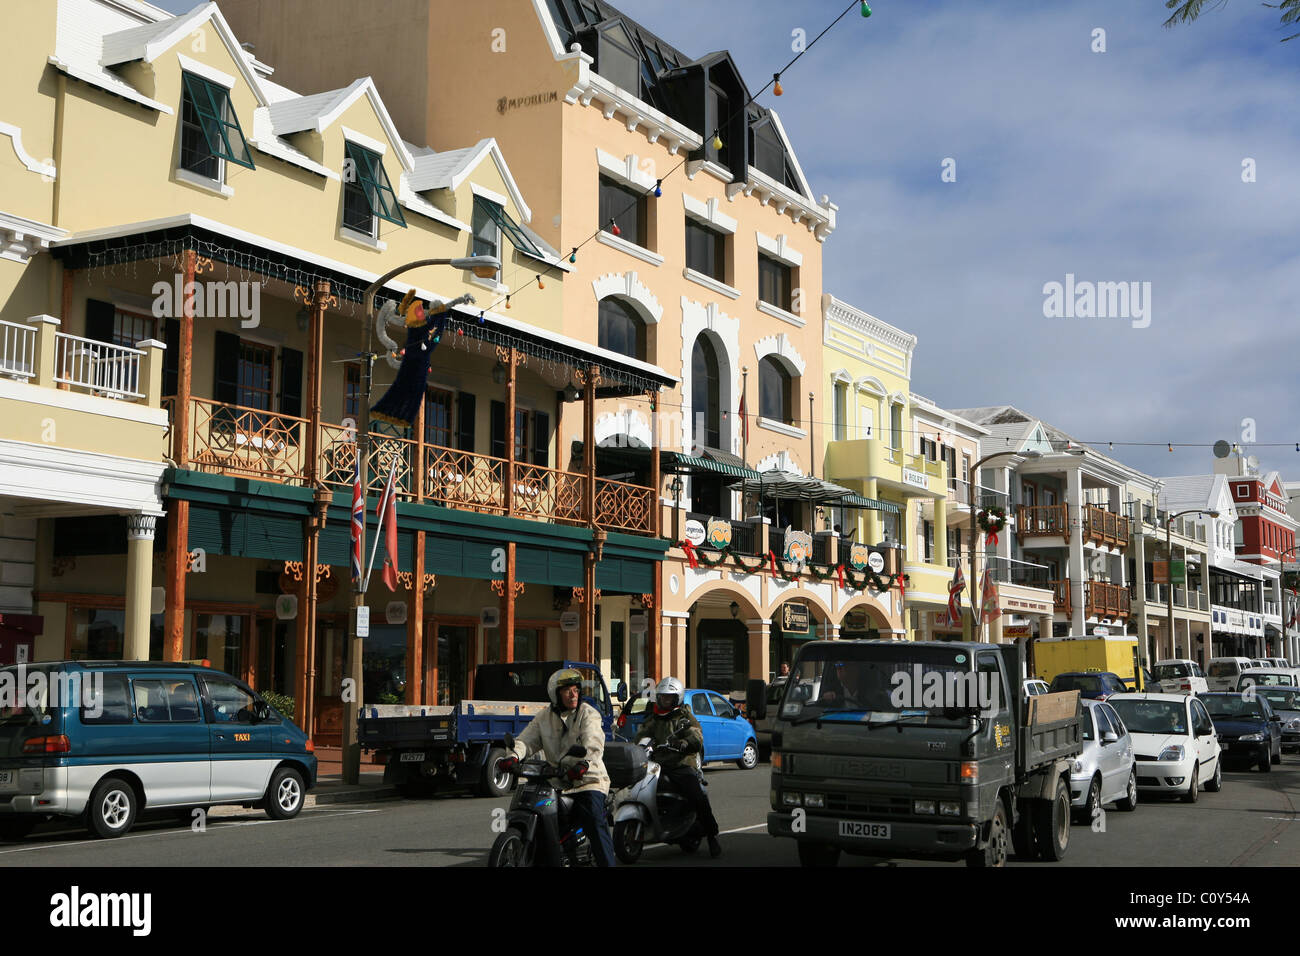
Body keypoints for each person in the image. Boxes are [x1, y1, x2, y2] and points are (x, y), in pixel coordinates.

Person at [499, 667, 616, 866]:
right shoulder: (544, 717)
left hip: (587, 780)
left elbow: (593, 743)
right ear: (556, 694)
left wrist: (583, 764)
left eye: (576, 690)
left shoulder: (588, 714)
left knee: (594, 820)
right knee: (539, 812)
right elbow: (526, 740)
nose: (573, 694)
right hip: (557, 780)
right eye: (567, 690)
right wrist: (513, 757)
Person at [634, 677, 722, 857]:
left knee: (697, 796)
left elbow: (696, 737)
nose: (665, 701)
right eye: (663, 697)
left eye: (669, 698)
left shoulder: (684, 717)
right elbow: (642, 734)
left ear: (678, 698)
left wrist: (683, 743)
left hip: (680, 764)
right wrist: (640, 745)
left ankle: (712, 835)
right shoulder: (654, 717)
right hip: (657, 764)